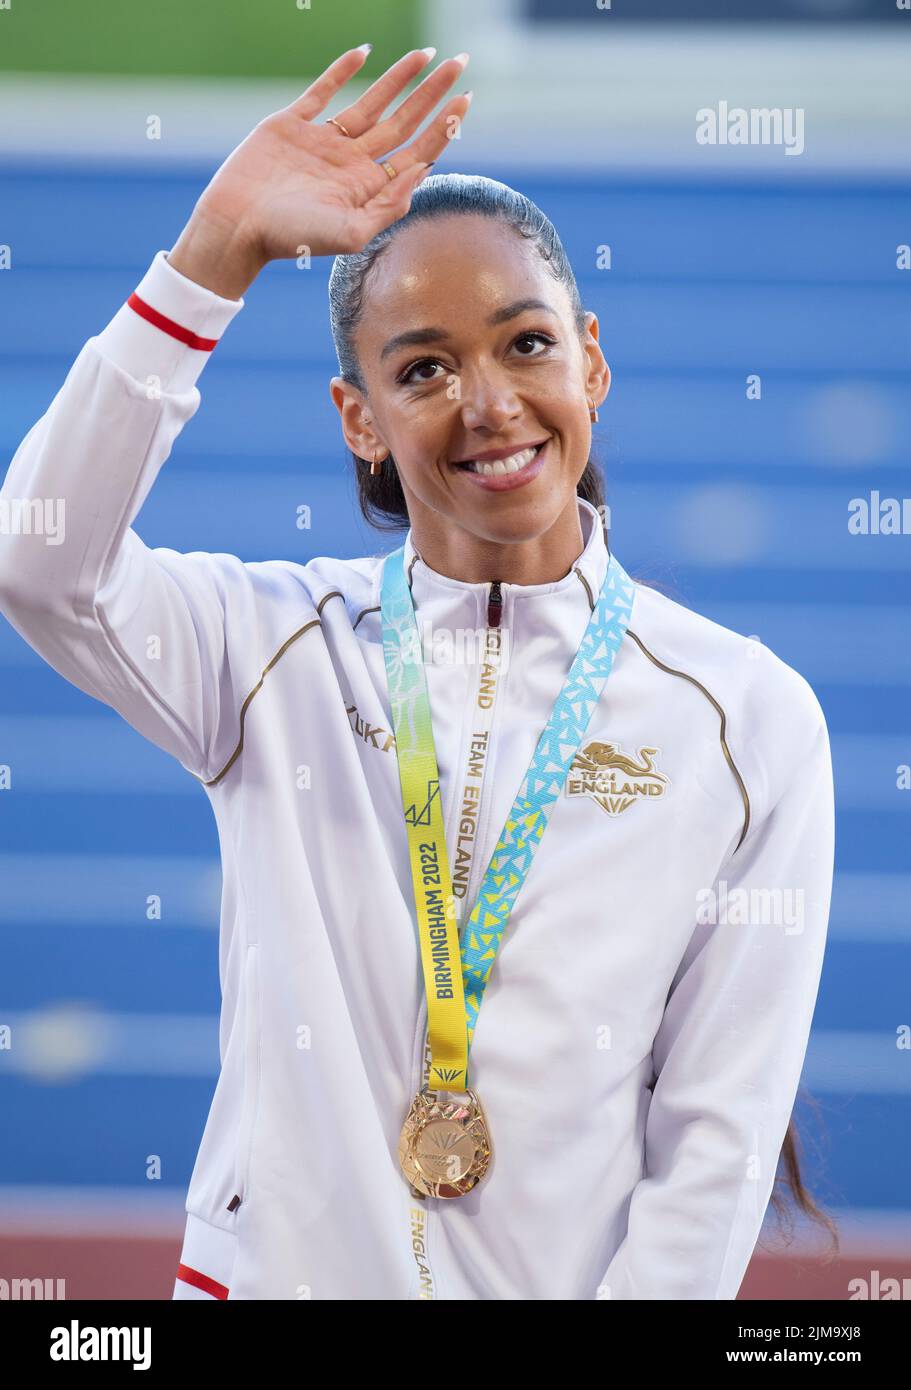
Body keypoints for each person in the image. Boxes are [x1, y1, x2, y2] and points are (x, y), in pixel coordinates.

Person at [0, 43, 836, 1301]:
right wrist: (213, 250)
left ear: (590, 363)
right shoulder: (266, 646)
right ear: (359, 419)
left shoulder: (744, 717)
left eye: (525, 345)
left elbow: (710, 1147)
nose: (489, 405)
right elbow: (41, 561)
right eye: (424, 370)